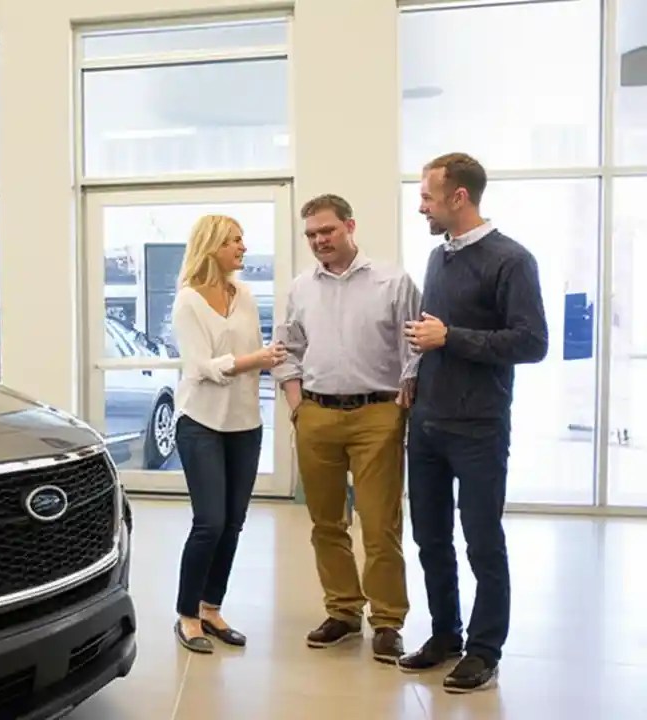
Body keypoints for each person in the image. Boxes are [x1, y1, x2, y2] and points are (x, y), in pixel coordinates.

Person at [400, 152, 547, 693]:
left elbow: (532, 343)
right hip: (429, 422)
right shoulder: (438, 258)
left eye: (427, 197)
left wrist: (451, 338)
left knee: (482, 541)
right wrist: (414, 370)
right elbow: (431, 330)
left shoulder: (512, 260)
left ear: (458, 196)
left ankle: (485, 649)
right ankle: (445, 635)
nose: (422, 207)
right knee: (430, 537)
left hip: (480, 427)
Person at [272, 194, 422, 665]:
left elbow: (415, 344)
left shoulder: (391, 280)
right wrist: (297, 406)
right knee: (326, 523)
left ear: (349, 227)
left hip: (377, 414)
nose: (320, 241)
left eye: (327, 231)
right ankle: (342, 610)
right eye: (312, 235)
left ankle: (387, 621)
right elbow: (287, 348)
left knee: (380, 524)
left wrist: (404, 397)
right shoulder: (301, 287)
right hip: (316, 414)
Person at [171, 214, 287, 654]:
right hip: (200, 423)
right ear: (213, 246)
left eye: (243, 240)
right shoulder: (188, 301)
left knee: (233, 524)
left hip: (245, 425)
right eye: (235, 241)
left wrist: (259, 362)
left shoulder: (246, 295)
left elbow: (256, 356)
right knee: (210, 523)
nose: (243, 247)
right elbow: (201, 368)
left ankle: (211, 607)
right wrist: (252, 359)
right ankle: (186, 616)